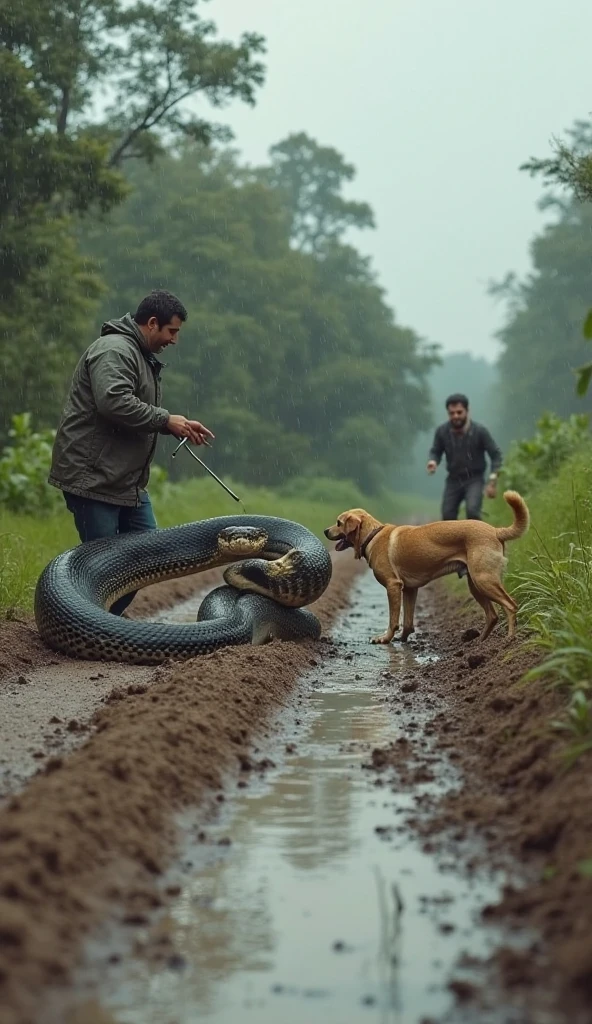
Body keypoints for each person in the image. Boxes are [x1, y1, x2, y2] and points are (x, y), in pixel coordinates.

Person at [49, 289, 214, 614]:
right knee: (101, 568)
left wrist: (171, 422)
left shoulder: (140, 355)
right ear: (152, 323)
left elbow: (132, 407)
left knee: (149, 555)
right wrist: (166, 420)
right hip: (94, 480)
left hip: (126, 483)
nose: (174, 340)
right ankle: (89, 627)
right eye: (172, 331)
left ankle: (101, 622)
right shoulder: (115, 350)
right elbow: (113, 402)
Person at [427, 393, 502, 576]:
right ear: (448, 413)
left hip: (474, 478)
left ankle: (480, 553)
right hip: (453, 479)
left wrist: (492, 480)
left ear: (467, 411)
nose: (455, 417)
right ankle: (456, 559)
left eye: (459, 412)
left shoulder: (480, 432)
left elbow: (496, 455)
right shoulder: (442, 432)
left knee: (473, 511)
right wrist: (433, 461)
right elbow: (435, 451)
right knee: (447, 516)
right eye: (452, 413)